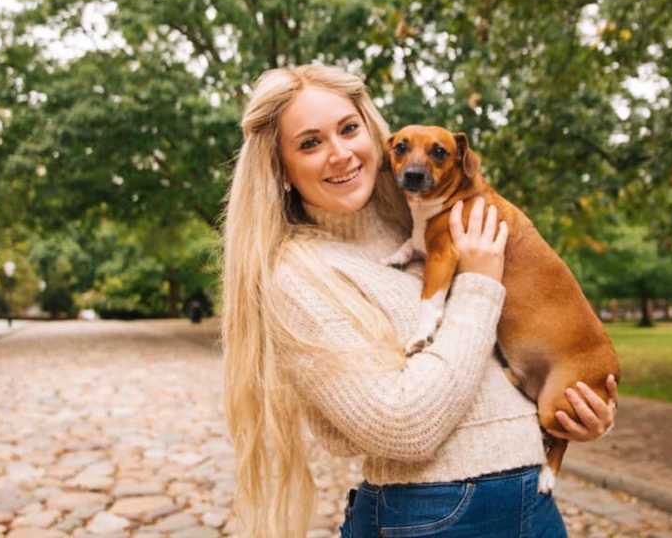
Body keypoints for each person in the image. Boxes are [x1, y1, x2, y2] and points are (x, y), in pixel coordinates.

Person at [219, 64, 617, 537]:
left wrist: (575, 415)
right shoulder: (298, 275)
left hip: (532, 501)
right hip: (434, 514)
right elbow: (401, 426)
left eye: (349, 129)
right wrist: (479, 286)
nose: (340, 153)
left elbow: (492, 366)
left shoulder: (424, 226)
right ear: (280, 169)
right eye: (310, 143)